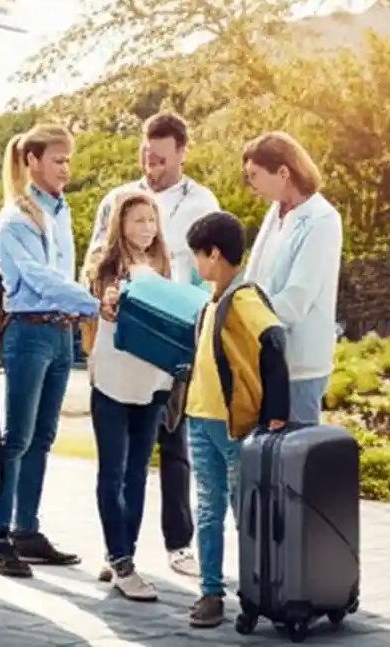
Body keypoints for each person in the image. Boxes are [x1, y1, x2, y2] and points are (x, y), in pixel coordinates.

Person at [88, 112, 219, 578]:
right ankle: (118, 550)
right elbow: (95, 261)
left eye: (162, 158)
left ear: (183, 152)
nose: (152, 166)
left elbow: (212, 268)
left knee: (174, 444)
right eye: (146, 155)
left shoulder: (202, 201)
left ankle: (178, 543)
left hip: (176, 336)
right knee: (124, 460)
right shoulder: (119, 201)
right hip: (125, 342)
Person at [0, 123, 100, 578]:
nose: (66, 169)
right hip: (29, 333)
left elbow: (64, 275)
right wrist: (93, 304)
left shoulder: (60, 211)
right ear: (32, 161)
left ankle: (26, 531)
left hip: (59, 333)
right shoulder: (15, 217)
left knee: (43, 437)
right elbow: (37, 278)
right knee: (17, 439)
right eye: (58, 160)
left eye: (68, 160)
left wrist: (81, 311)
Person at [182, 211, 290, 628]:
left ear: (215, 254)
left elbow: (274, 340)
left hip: (231, 426)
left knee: (243, 510)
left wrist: (276, 413)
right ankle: (211, 592)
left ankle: (262, 591)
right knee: (208, 511)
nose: (196, 263)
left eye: (198, 255)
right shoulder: (210, 300)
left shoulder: (243, 297)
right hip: (199, 421)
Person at [79, 191, 174, 601]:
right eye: (138, 220)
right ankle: (121, 560)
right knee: (112, 472)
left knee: (137, 473)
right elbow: (103, 309)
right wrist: (108, 302)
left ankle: (121, 555)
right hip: (113, 381)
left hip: (151, 381)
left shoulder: (164, 265)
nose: (147, 228)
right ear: (120, 223)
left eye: (151, 220)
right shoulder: (107, 265)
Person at [241, 131, 344, 425]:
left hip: (300, 364)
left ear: (283, 172)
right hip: (266, 356)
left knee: (297, 460)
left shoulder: (323, 220)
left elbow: (297, 298)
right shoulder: (276, 212)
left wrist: (245, 314)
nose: (252, 186)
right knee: (265, 459)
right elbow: (254, 274)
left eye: (255, 176)